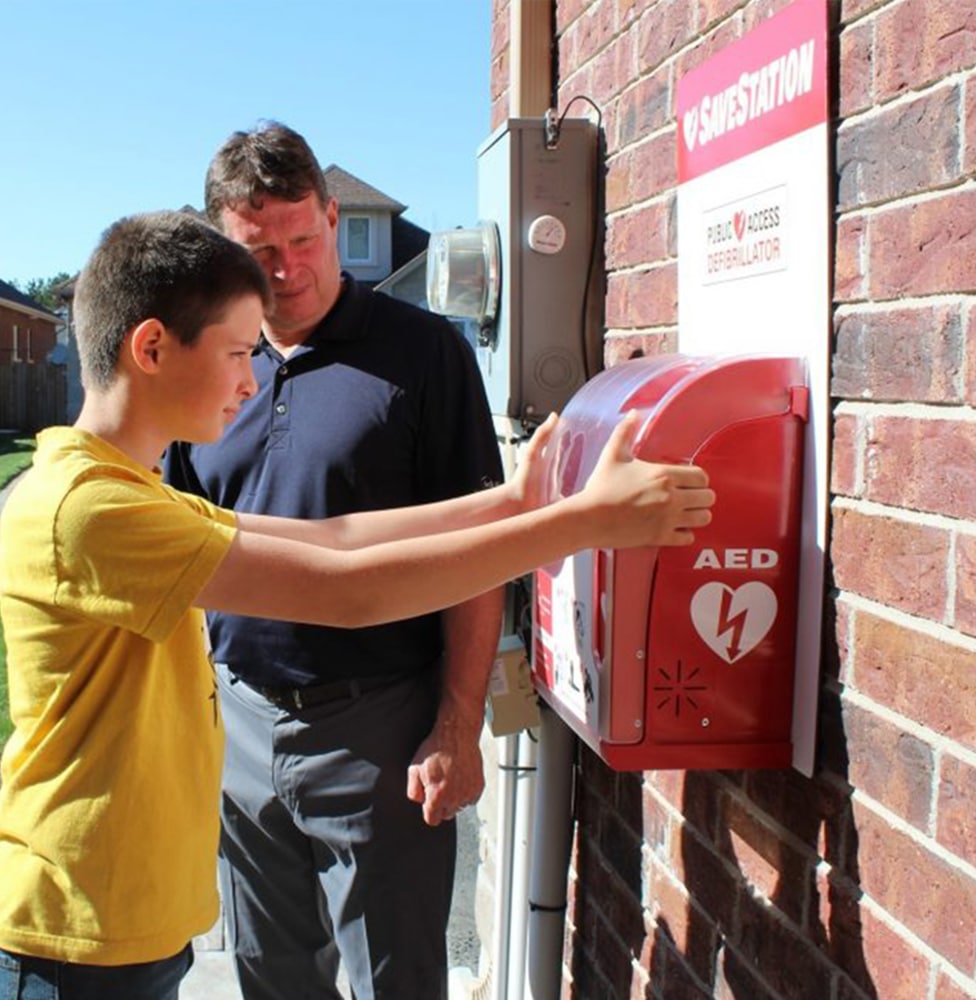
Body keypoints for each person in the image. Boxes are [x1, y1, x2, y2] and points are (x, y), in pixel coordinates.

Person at [0, 209, 713, 1000]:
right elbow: (347, 592)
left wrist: (511, 504)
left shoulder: (127, 492)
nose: (249, 378)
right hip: (71, 939)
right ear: (154, 348)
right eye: (238, 352)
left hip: (117, 925)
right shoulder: (90, 511)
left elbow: (335, 539)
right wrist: (585, 523)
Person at [161, 120, 493, 1000]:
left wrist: (458, 723)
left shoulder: (424, 355)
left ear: (334, 216)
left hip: (380, 731)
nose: (286, 268)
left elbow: (478, 554)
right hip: (238, 722)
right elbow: (175, 542)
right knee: (270, 981)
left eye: (304, 238)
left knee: (395, 984)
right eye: (257, 250)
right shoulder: (206, 369)